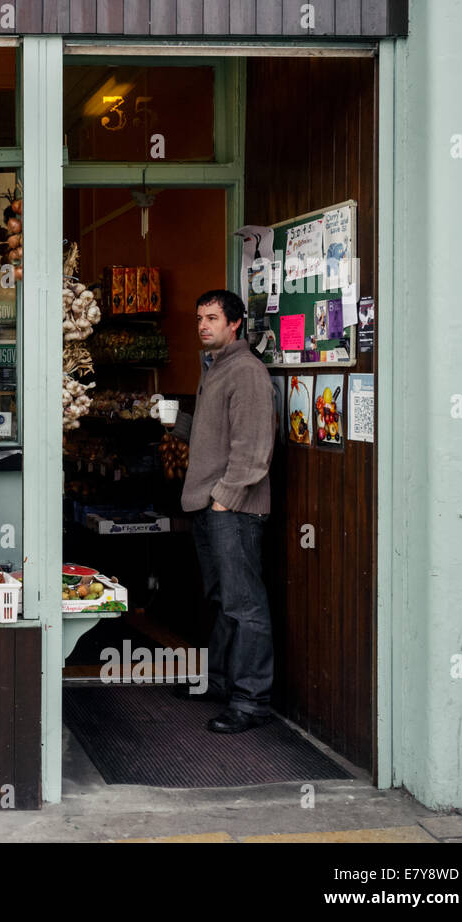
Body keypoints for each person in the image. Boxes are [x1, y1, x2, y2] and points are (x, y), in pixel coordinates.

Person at [167, 290, 276, 734]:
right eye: (198, 318)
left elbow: (253, 450)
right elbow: (214, 436)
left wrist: (223, 499)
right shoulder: (213, 368)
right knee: (222, 601)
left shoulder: (246, 371)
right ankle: (218, 681)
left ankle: (251, 702)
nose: (202, 325)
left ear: (235, 324)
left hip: (233, 510)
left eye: (212, 318)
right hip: (212, 507)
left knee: (245, 605)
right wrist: (175, 422)